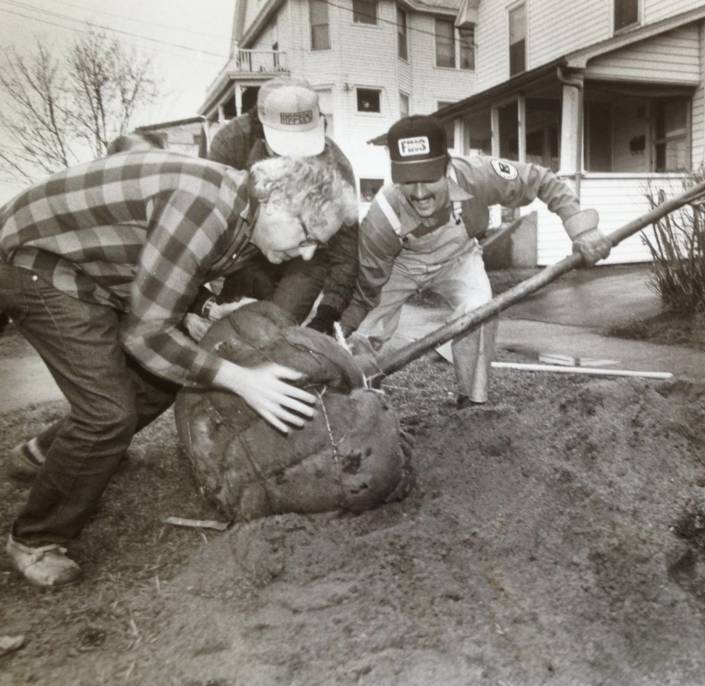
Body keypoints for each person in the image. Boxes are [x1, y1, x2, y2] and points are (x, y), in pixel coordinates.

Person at [0, 148, 357, 587]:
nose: (305, 255)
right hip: (36, 261)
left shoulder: (246, 219)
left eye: (317, 246)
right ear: (278, 200)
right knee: (107, 415)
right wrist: (241, 380)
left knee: (162, 382)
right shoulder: (204, 208)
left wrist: (207, 306)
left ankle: (45, 456)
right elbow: (145, 334)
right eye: (305, 236)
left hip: (91, 269)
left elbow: (163, 274)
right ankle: (34, 540)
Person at [341, 115, 612, 409]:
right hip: (400, 266)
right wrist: (338, 328)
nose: (420, 194)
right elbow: (366, 290)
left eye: (430, 179)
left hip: (458, 259)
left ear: (447, 167)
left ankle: (472, 402)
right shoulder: (382, 218)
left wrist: (581, 228)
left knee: (479, 312)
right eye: (408, 182)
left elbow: (542, 180)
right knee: (362, 332)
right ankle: (354, 397)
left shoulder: (477, 175)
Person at [204, 77, 359, 335]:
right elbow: (207, 228)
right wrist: (201, 303)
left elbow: (345, 251)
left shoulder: (336, 166)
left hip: (306, 256)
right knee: (231, 328)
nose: (294, 161)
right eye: (284, 150)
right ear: (260, 130)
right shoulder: (231, 143)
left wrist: (327, 313)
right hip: (244, 249)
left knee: (274, 329)